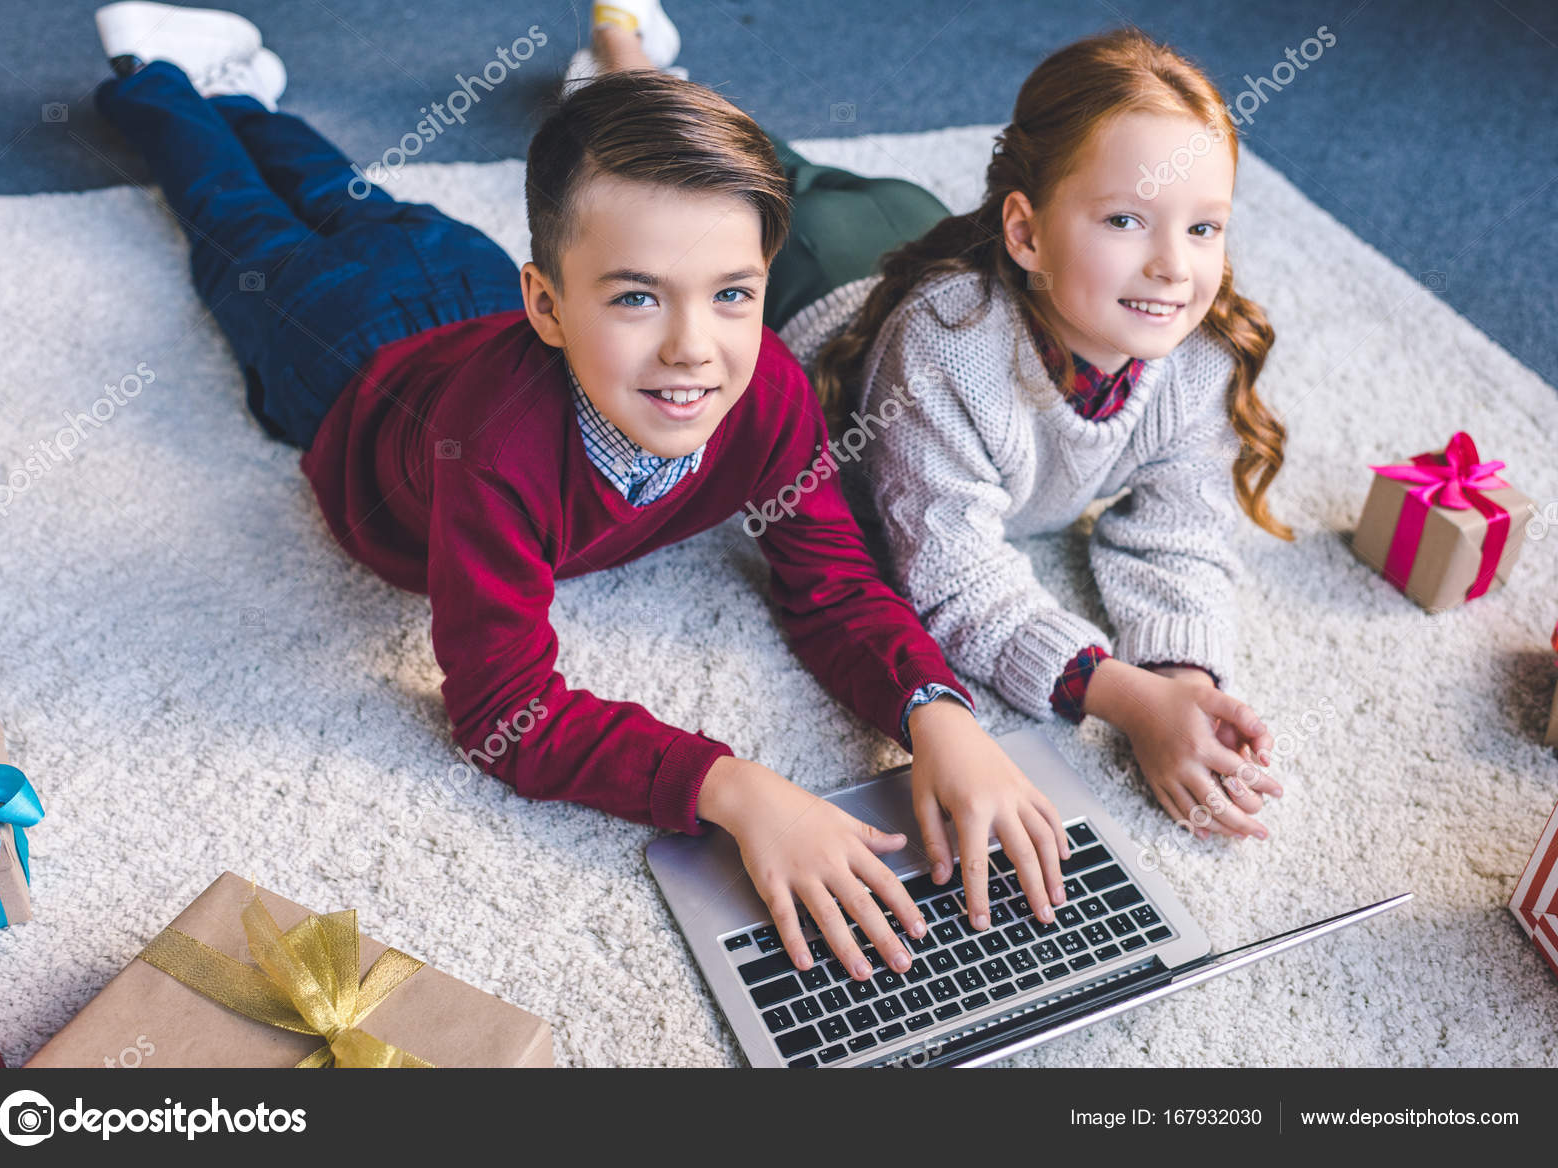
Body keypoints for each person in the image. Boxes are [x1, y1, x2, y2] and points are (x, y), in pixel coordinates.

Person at [87, 0, 1075, 984]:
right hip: (348, 351)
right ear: (549, 305)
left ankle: (243, 95)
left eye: (730, 291)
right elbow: (501, 712)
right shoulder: (496, 452)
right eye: (638, 295)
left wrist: (934, 708)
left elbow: (831, 585)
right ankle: (153, 75)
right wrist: (729, 787)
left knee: (349, 197)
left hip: (459, 281)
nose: (694, 346)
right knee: (238, 218)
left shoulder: (764, 382)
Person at [765, 27, 1285, 842]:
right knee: (721, 155)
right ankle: (622, 54)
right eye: (1126, 219)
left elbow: (1181, 534)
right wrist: (1126, 698)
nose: (1175, 269)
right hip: (814, 266)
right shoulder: (945, 348)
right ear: (1027, 232)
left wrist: (1179, 680)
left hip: (917, 222)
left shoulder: (1196, 351)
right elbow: (954, 583)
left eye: (1203, 228)